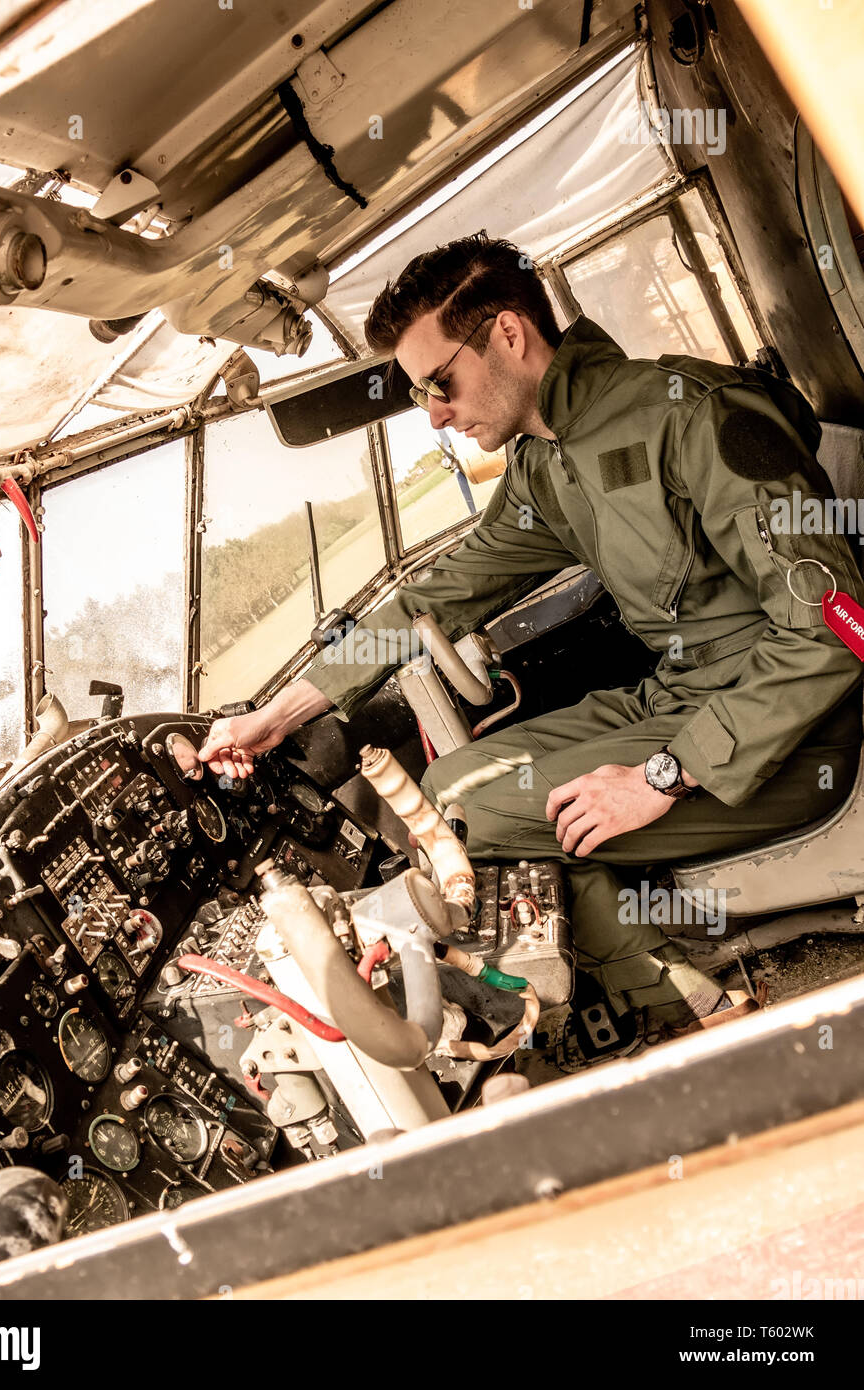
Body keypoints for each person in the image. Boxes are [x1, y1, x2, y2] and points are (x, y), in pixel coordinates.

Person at [199, 232, 864, 1035]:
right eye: (418, 396)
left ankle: (687, 1020)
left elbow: (834, 631)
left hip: (798, 732)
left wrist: (661, 775)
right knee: (441, 798)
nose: (436, 415)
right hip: (682, 696)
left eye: (438, 382)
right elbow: (432, 600)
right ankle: (668, 988)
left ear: (508, 334)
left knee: (474, 819)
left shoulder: (691, 414)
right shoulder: (545, 466)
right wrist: (270, 720)